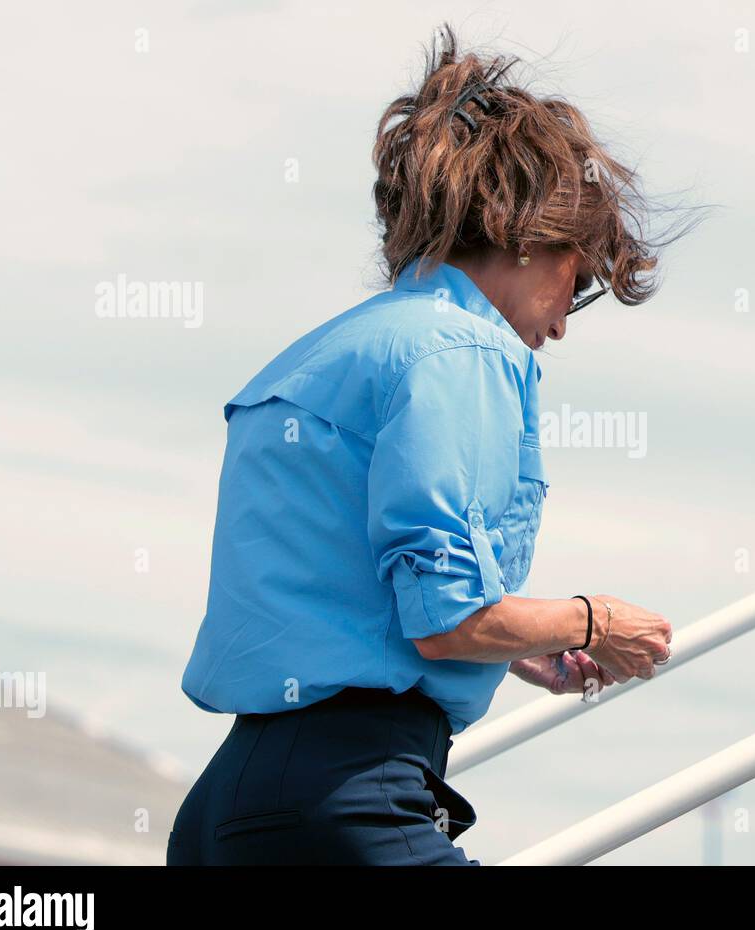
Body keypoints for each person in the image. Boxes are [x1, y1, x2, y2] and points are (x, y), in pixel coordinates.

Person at [166, 24, 693, 866]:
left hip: (232, 805)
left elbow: (352, 589)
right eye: (580, 282)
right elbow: (446, 620)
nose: (562, 323)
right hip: (346, 801)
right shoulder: (461, 351)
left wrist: (528, 642)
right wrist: (596, 619)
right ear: (529, 237)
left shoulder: (332, 350)